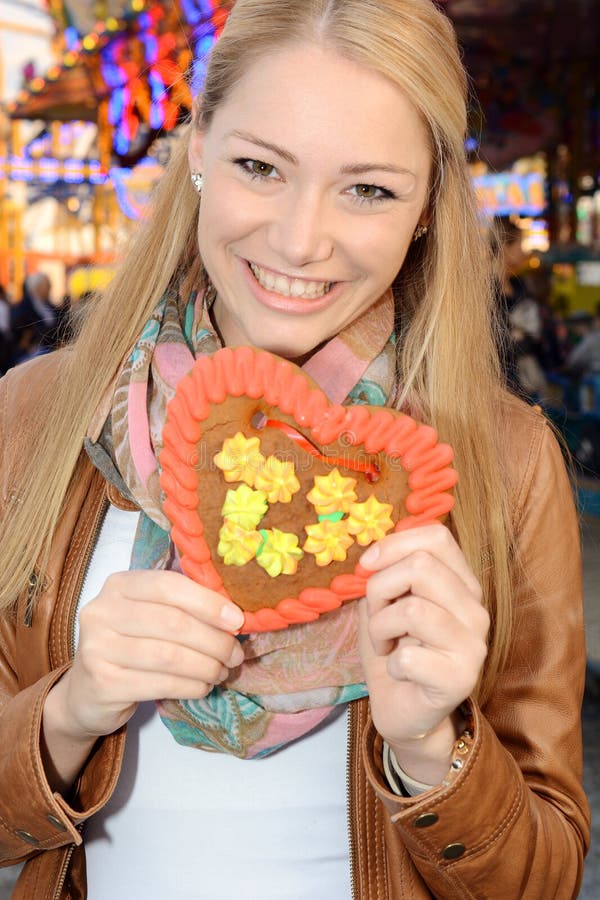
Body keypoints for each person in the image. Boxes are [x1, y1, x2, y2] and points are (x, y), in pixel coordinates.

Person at [0, 1, 589, 898]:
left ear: (428, 205)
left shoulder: (507, 463)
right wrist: (71, 710)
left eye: (368, 189)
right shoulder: (34, 417)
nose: (299, 239)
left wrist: (435, 750)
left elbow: (543, 880)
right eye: (260, 167)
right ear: (198, 147)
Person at [9, 271, 59, 363]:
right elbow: (19, 331)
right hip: (30, 353)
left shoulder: (50, 305)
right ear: (37, 287)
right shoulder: (23, 307)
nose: (50, 288)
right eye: (47, 285)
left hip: (50, 349)